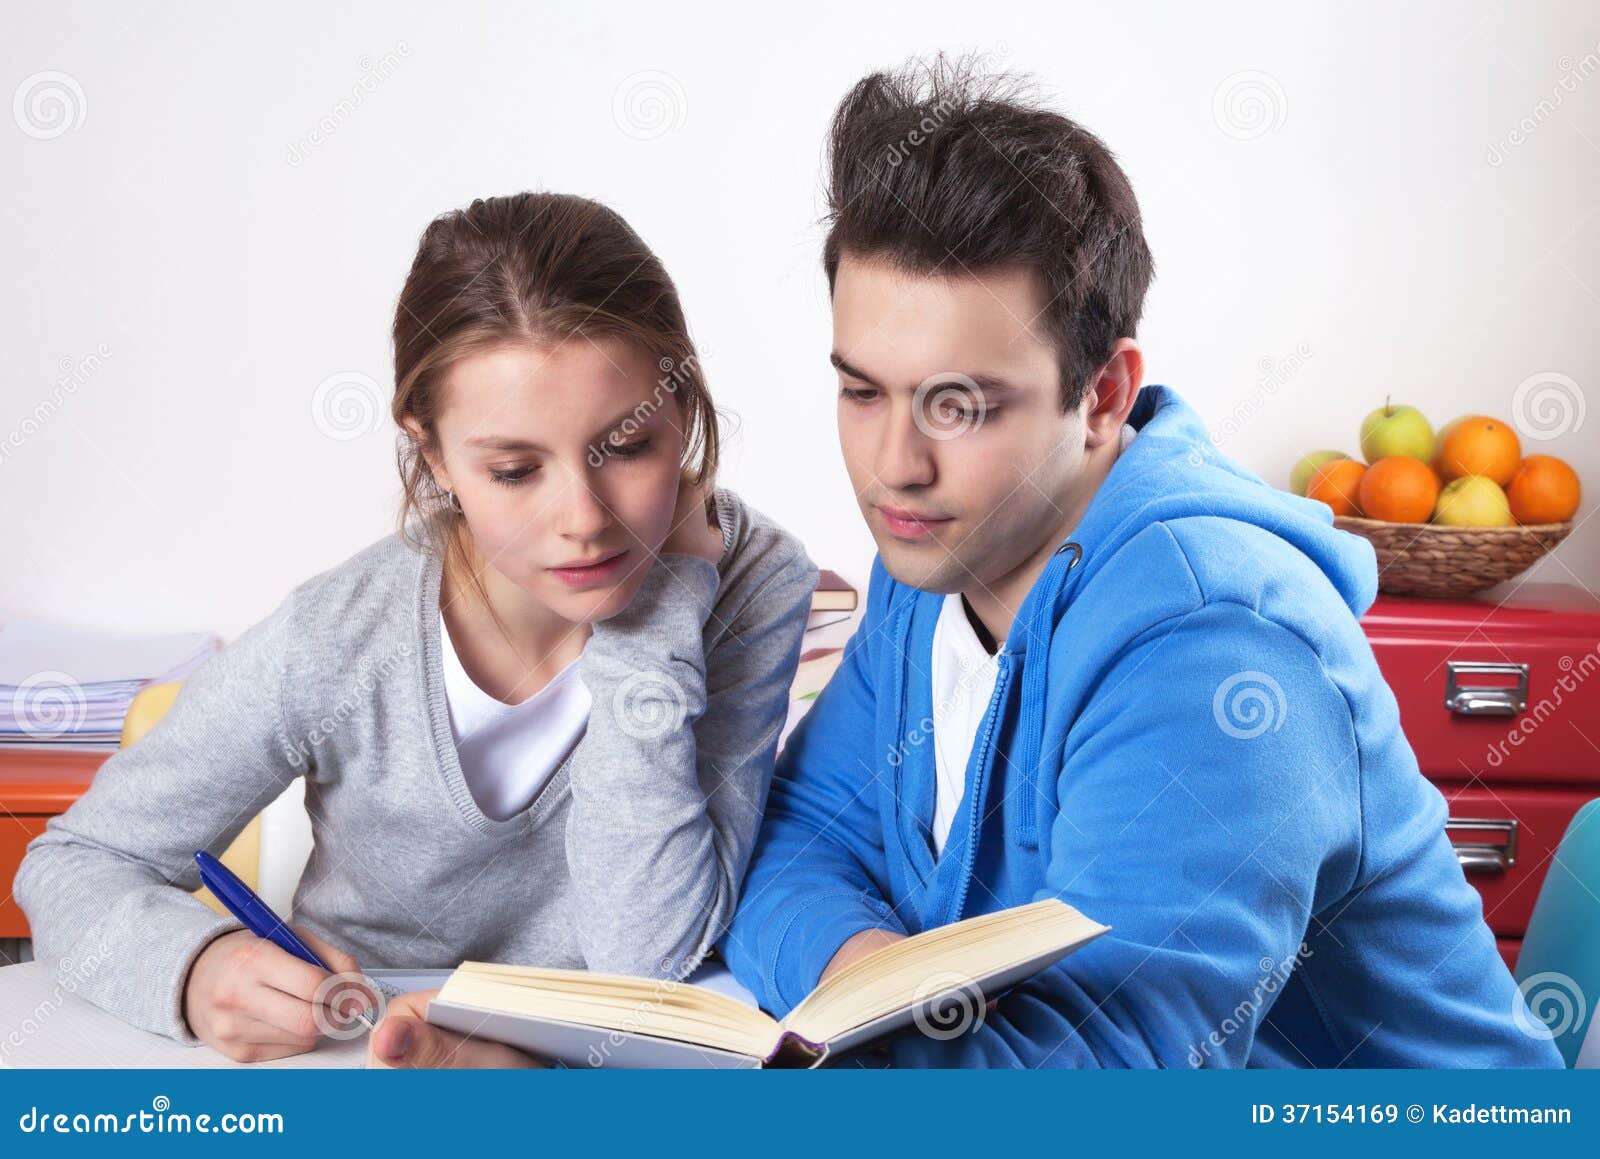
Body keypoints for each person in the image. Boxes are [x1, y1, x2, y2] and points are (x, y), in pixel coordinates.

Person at [369, 58, 1561, 1070]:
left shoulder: (1215, 643)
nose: (894, 466)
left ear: (1102, 395)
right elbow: (799, 843)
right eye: (860, 390)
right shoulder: (933, 559)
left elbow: (1077, 1083)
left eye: (959, 405)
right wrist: (875, 981)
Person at [16, 191, 818, 1064]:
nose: (582, 520)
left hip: (591, 1072)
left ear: (683, 409)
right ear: (433, 453)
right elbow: (71, 864)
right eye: (514, 469)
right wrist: (196, 965)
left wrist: (656, 609)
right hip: (363, 1059)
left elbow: (646, 953)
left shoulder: (746, 581)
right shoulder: (341, 635)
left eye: (628, 448)